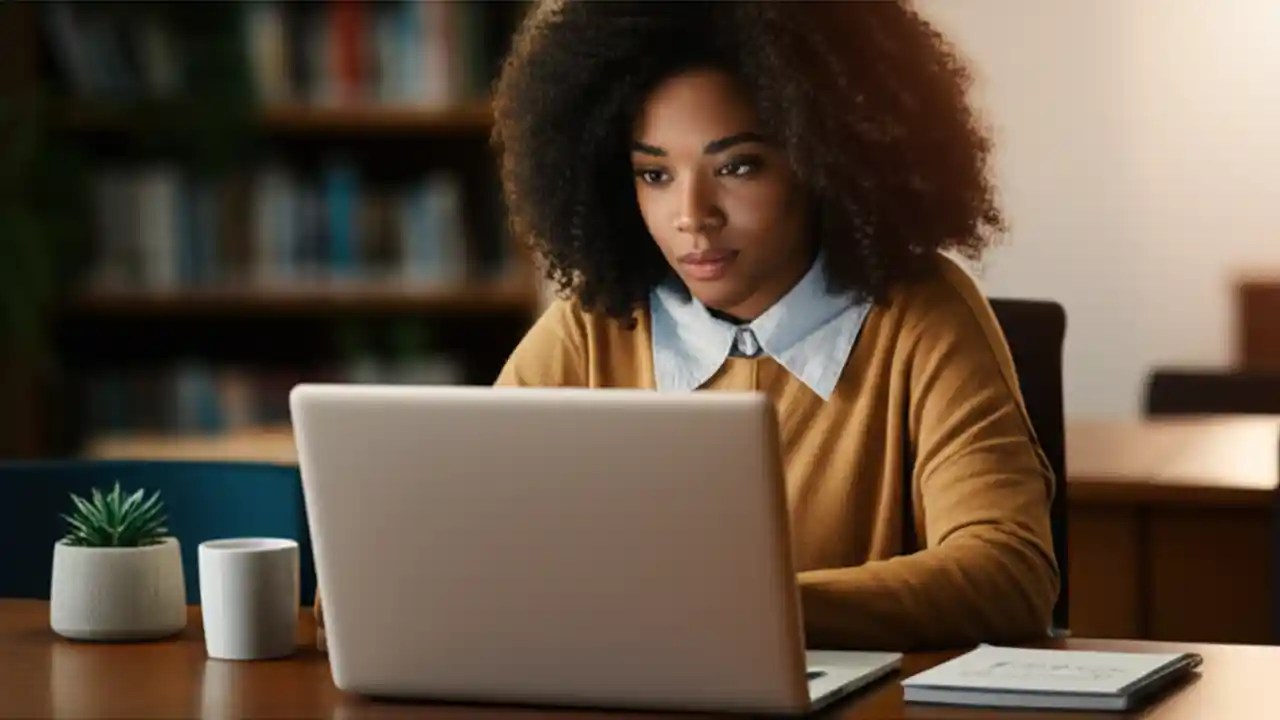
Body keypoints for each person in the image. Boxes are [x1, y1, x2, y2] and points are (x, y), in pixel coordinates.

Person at [490, 0, 1059, 651]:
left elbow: (1007, 575)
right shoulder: (590, 329)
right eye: (654, 174)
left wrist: (745, 610)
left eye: (737, 167)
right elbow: (475, 541)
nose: (692, 216)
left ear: (826, 157)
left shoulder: (923, 317)